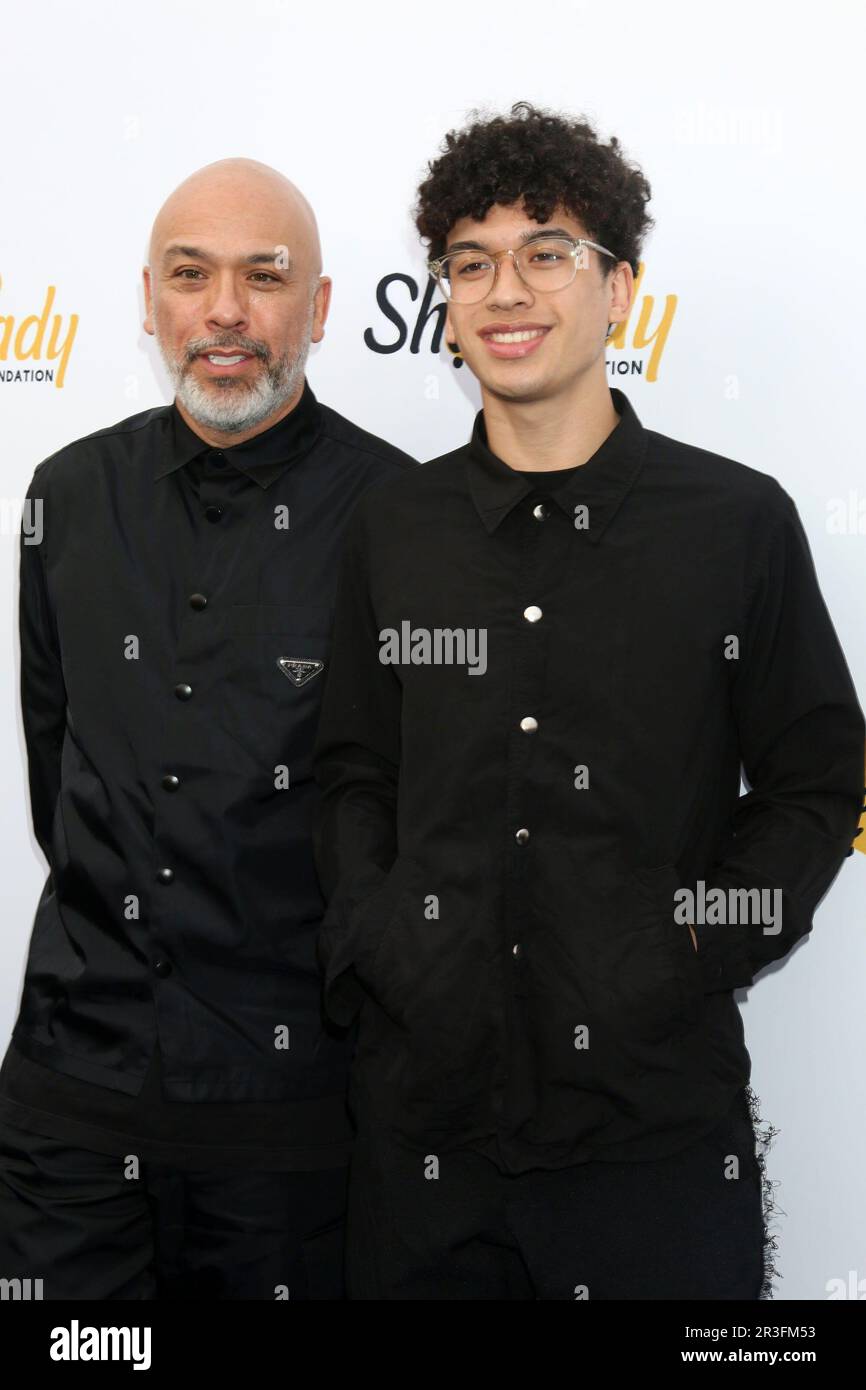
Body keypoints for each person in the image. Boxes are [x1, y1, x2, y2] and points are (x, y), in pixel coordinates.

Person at [311, 103, 865, 1300]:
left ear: (619, 287)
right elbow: (351, 768)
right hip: (421, 1144)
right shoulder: (392, 526)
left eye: (545, 251)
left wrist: (683, 951)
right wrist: (380, 936)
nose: (504, 289)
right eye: (470, 262)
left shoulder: (734, 525)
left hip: (651, 1146)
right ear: (444, 303)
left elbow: (815, 785)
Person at [0, 157, 416, 1300]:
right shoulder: (66, 496)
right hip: (70, 1117)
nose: (225, 310)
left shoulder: (402, 523)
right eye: (192, 275)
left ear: (319, 309)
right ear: (148, 301)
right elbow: (55, 771)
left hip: (290, 1125)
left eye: (262, 276)